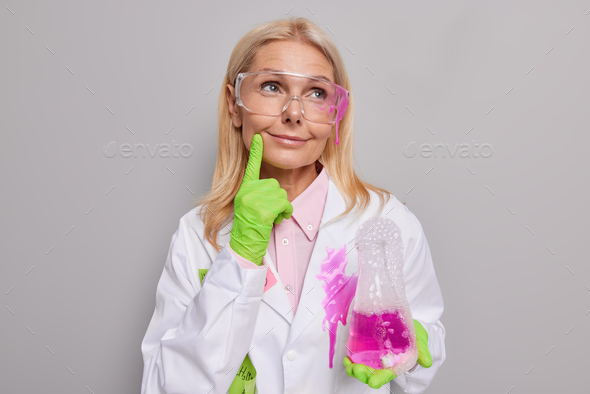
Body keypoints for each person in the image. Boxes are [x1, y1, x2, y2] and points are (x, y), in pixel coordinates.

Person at [140, 16, 446, 394]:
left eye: (317, 93)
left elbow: (420, 367)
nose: (294, 112)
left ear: (336, 113)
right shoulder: (197, 234)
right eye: (271, 86)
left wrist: (410, 349)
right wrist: (239, 257)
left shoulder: (387, 221)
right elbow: (166, 386)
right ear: (234, 104)